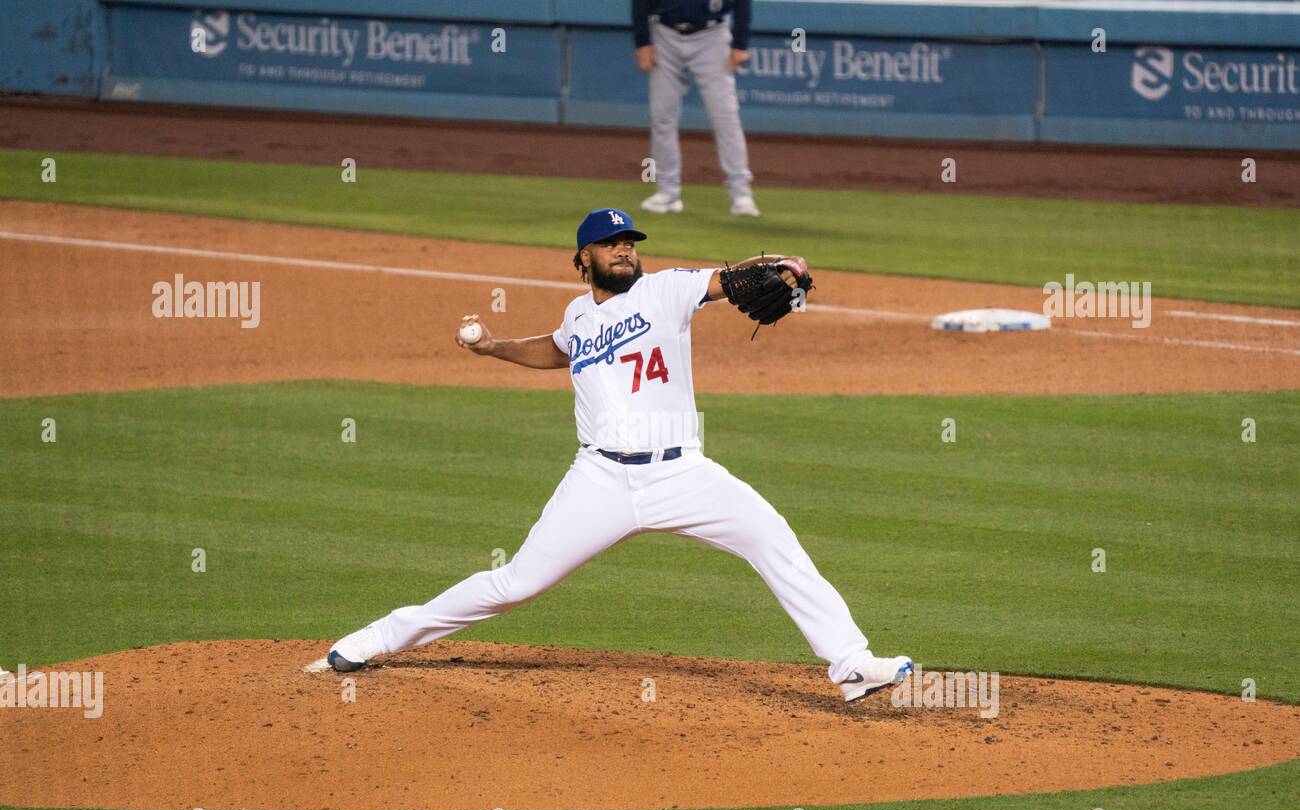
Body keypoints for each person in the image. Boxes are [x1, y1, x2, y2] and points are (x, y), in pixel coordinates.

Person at [325, 207, 912, 703]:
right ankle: (383, 635)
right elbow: (558, 351)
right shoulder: (577, 315)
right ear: (583, 259)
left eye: (629, 242)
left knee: (772, 535)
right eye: (611, 244)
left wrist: (780, 268)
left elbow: (727, 280)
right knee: (516, 584)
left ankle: (850, 663)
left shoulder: (667, 290)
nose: (624, 250)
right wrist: (496, 348)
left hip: (682, 473)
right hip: (600, 478)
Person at [633, 0, 760, 217]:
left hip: (711, 35)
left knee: (725, 116)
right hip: (664, 33)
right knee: (662, 117)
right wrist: (642, 40)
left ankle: (741, 194)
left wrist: (740, 42)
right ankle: (667, 192)